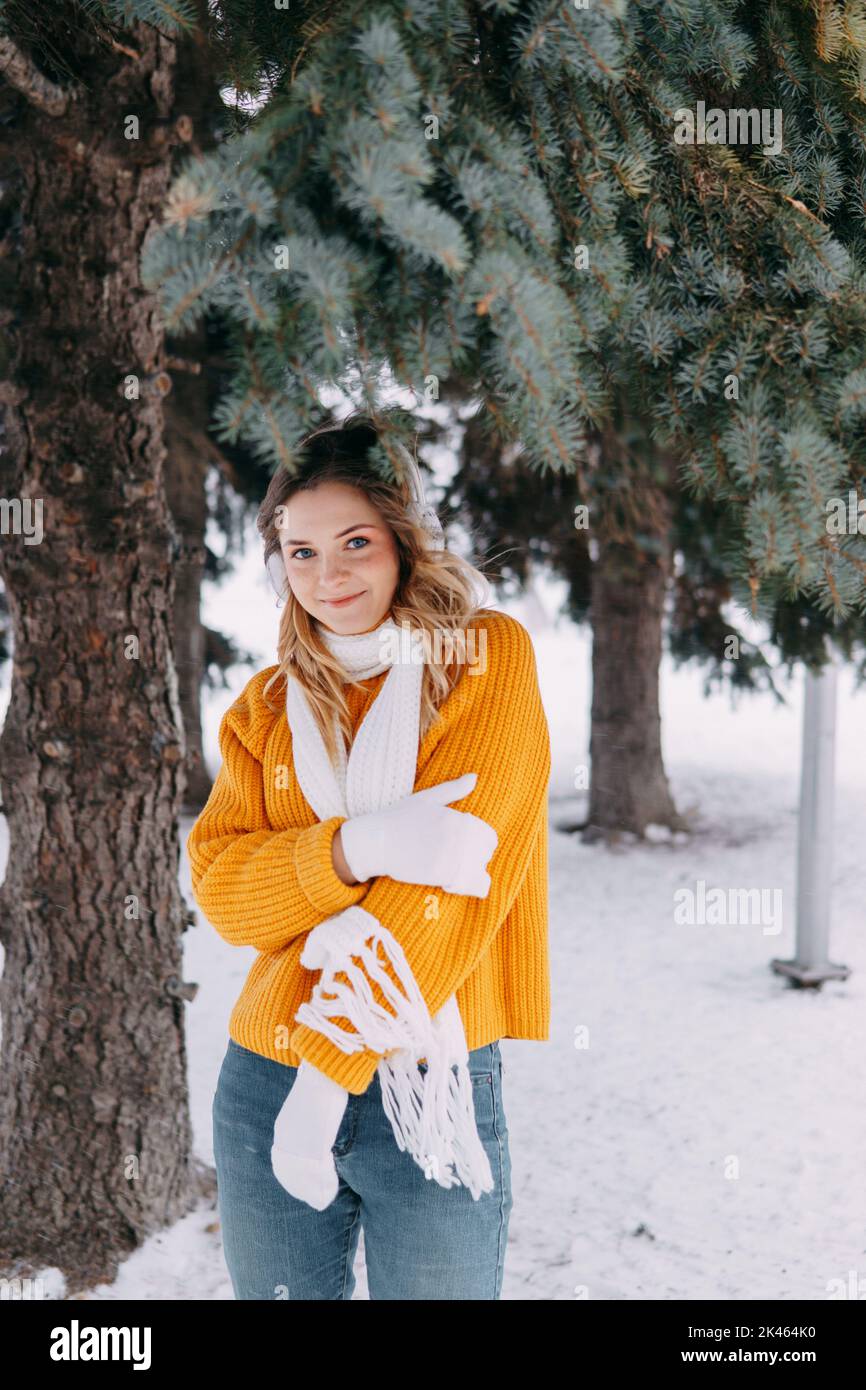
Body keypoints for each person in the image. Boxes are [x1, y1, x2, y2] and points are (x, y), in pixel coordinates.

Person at [187, 412, 551, 1300]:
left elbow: (454, 897)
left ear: (403, 539)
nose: (328, 574)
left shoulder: (482, 659)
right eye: (300, 551)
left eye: (354, 540)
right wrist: (359, 848)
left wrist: (325, 1084)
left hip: (430, 1086)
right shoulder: (267, 707)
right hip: (263, 1080)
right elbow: (226, 892)